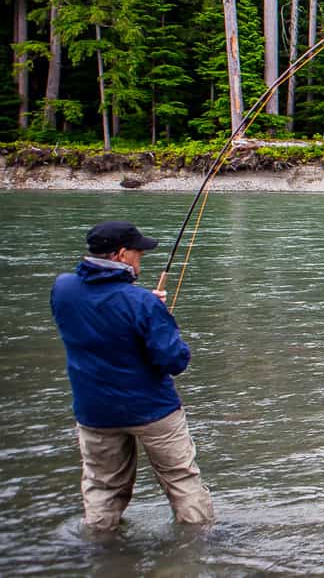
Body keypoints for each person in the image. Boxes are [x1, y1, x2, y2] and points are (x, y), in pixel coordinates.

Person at [50, 220, 215, 532]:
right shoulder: (142, 303)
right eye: (139, 253)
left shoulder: (63, 289)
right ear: (122, 255)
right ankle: (197, 548)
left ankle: (101, 551)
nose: (141, 260)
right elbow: (174, 360)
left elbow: (95, 316)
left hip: (94, 411)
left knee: (102, 488)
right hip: (152, 410)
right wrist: (159, 316)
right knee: (182, 480)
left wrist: (149, 310)